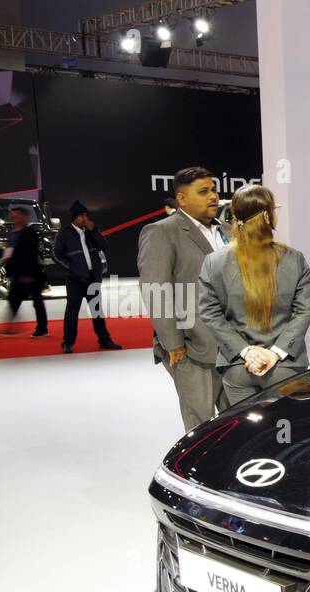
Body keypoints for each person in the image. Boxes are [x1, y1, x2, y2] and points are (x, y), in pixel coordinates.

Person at [197, 184, 310, 407]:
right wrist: (275, 353)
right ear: (268, 216)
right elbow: (304, 311)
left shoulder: (214, 262)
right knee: (287, 425)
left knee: (247, 428)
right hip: (286, 366)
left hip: (238, 366)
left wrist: (246, 352)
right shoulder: (294, 259)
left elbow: (210, 314)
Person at [138, 166, 228, 431]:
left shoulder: (228, 231)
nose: (213, 196)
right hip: (192, 347)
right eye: (204, 191)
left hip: (234, 347)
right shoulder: (162, 231)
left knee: (238, 421)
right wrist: (173, 343)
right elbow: (156, 289)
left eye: (214, 189)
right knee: (200, 426)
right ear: (182, 199)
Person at [53, 200, 121, 353]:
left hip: (92, 278)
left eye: (86, 215)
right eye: (82, 215)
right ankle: (68, 342)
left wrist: (94, 230)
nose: (85, 218)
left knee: (97, 311)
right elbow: (56, 254)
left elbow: (104, 246)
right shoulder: (64, 233)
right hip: (75, 280)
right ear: (74, 217)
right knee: (72, 312)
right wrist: (71, 267)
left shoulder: (91, 231)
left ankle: (104, 340)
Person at [3, 205, 50, 337]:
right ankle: (10, 327)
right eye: (13, 215)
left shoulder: (30, 233)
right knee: (14, 299)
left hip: (30, 273)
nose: (14, 217)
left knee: (37, 301)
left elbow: (31, 254)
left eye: (17, 215)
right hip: (17, 273)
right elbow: (10, 251)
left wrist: (27, 273)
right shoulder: (13, 232)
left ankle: (42, 328)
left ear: (24, 217)